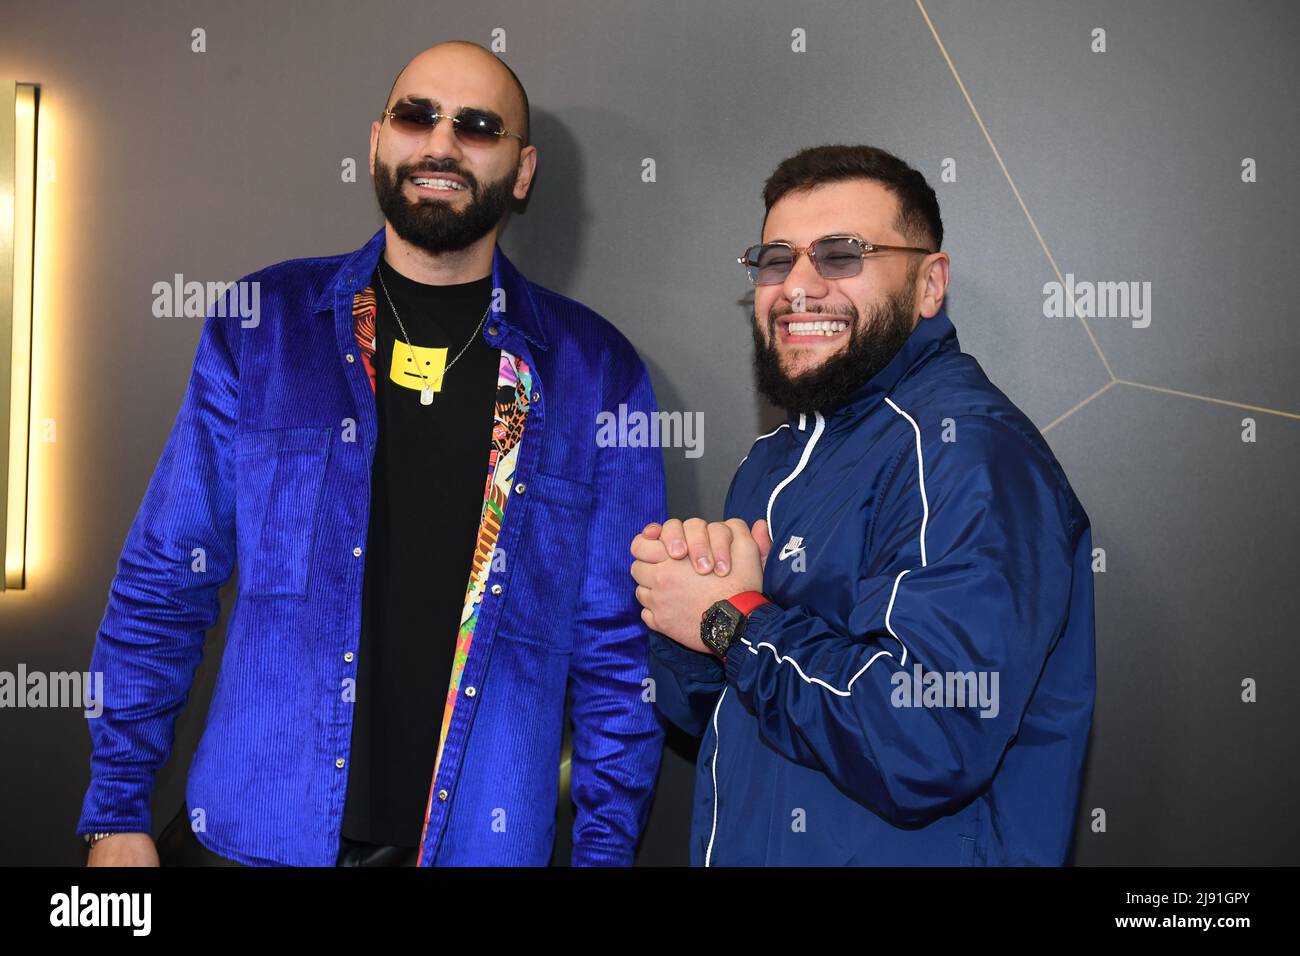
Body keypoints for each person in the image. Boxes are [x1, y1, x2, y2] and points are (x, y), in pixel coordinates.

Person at [79, 40, 665, 866]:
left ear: (522, 170)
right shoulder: (264, 325)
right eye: (416, 116)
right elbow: (165, 575)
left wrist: (604, 855)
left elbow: (616, 655)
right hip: (253, 837)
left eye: (477, 126)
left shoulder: (594, 371)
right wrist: (115, 812)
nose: (440, 143)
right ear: (376, 142)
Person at [632, 144, 1096, 866]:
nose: (799, 286)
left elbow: (927, 736)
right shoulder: (772, 462)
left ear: (929, 284)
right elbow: (720, 718)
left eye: (842, 254)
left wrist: (731, 620)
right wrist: (684, 618)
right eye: (777, 259)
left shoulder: (967, 451)